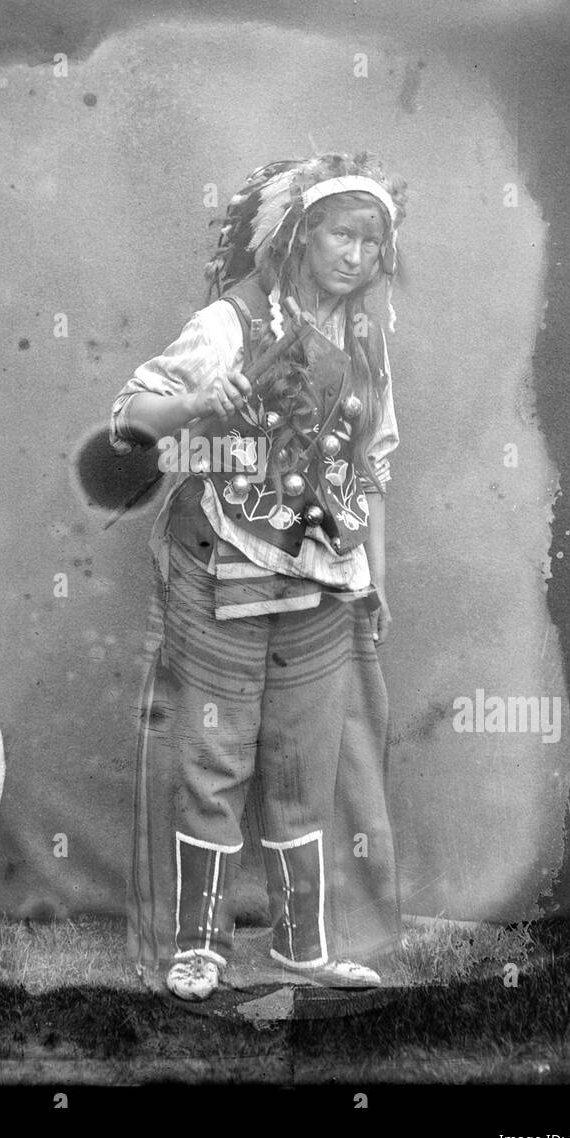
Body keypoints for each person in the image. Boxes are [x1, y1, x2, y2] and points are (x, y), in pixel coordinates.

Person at [110, 151, 406, 1001]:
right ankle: (198, 947)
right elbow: (131, 415)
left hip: (322, 580)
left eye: (371, 242)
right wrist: (199, 407)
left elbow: (374, 468)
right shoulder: (233, 323)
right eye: (341, 235)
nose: (357, 255)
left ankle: (301, 947)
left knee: (302, 765)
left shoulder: (365, 340)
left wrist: (372, 579)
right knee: (214, 757)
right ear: (300, 235)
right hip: (219, 575)